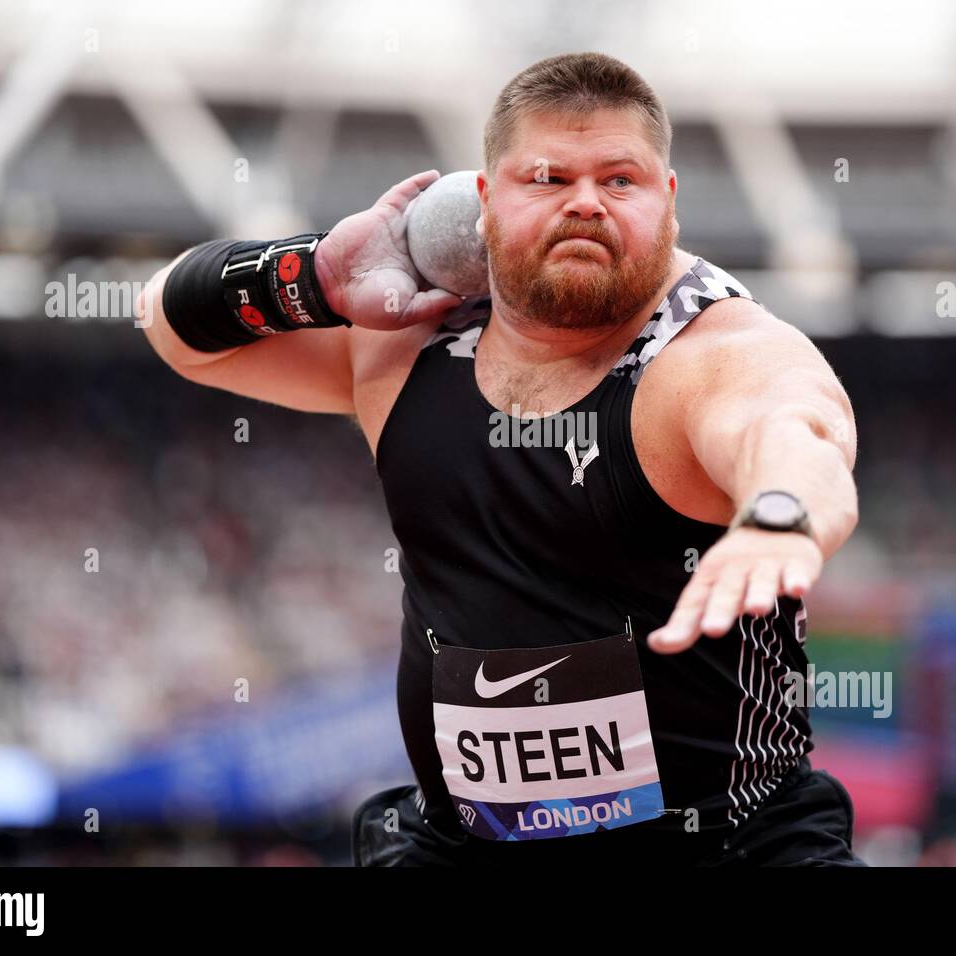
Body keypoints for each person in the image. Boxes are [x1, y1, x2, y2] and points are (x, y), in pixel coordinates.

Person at [138, 52, 863, 866]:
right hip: (461, 848)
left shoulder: (709, 353)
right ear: (481, 202)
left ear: (668, 202)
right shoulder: (402, 344)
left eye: (619, 180)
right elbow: (172, 331)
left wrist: (779, 521)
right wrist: (314, 275)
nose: (585, 203)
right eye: (547, 179)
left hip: (730, 846)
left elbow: (797, 434)